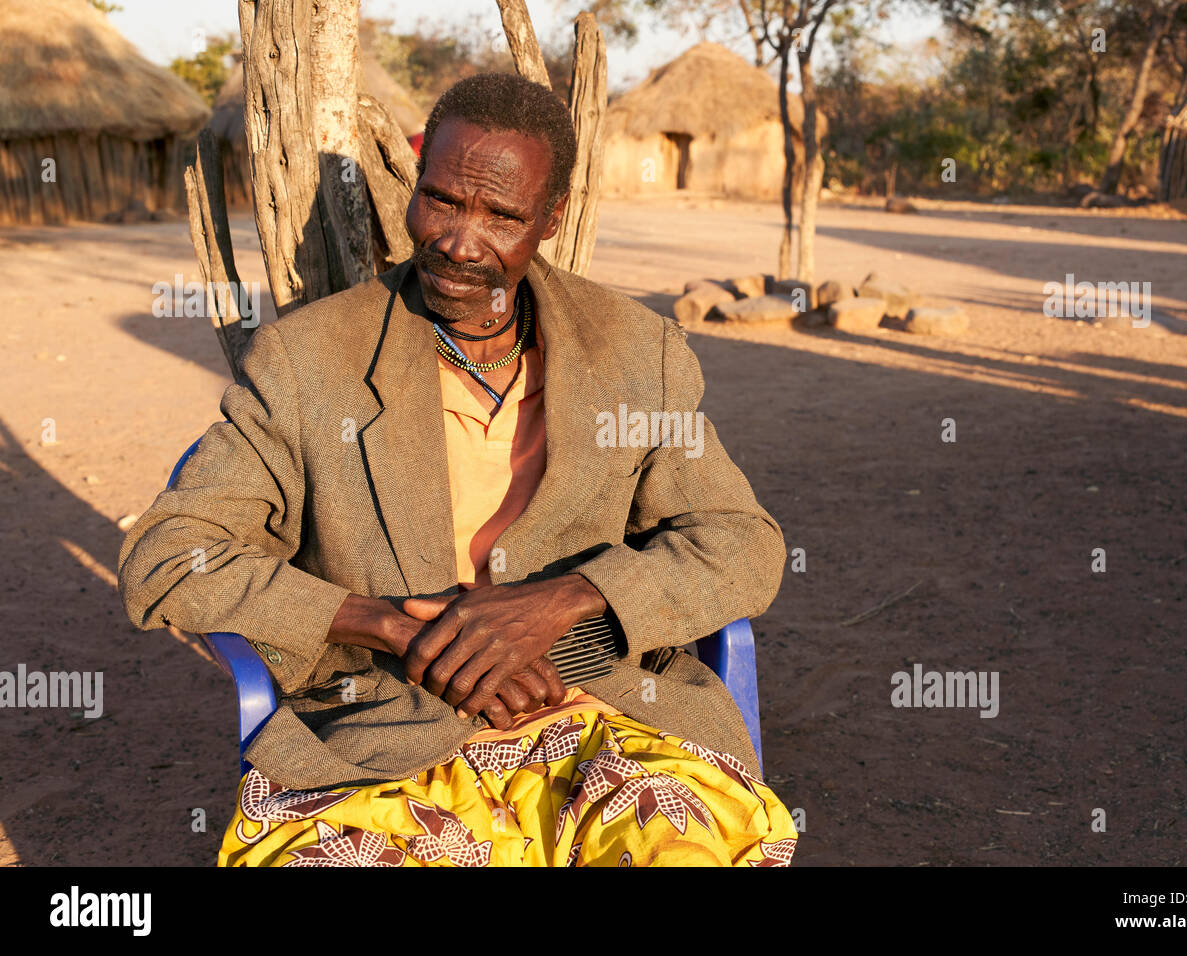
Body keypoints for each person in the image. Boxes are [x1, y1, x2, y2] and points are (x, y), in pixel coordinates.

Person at [118, 72, 797, 867]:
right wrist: (390, 626)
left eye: (502, 215)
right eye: (441, 200)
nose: (460, 241)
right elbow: (166, 558)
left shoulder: (634, 353)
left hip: (607, 717)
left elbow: (741, 545)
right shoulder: (309, 362)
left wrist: (565, 601)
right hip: (381, 738)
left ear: (552, 218)